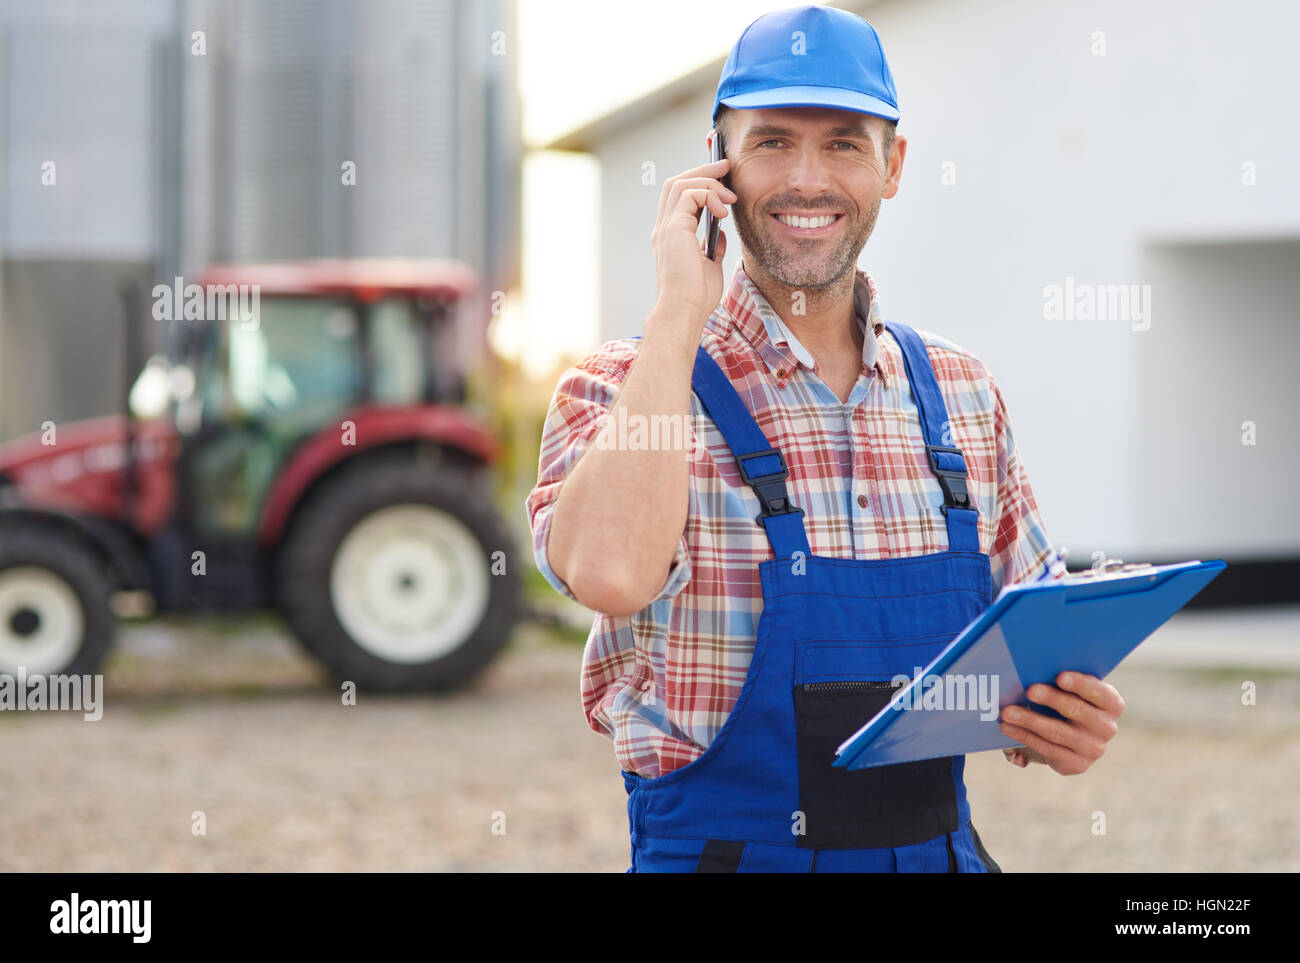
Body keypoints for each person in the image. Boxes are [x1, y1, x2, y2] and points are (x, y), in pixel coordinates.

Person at [525, 4, 1124, 873]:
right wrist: (677, 312)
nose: (807, 179)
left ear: (894, 166)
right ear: (716, 167)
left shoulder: (960, 394)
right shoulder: (624, 386)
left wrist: (1065, 718)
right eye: (771, 143)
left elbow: (1034, 653)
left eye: (844, 143)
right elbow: (610, 575)